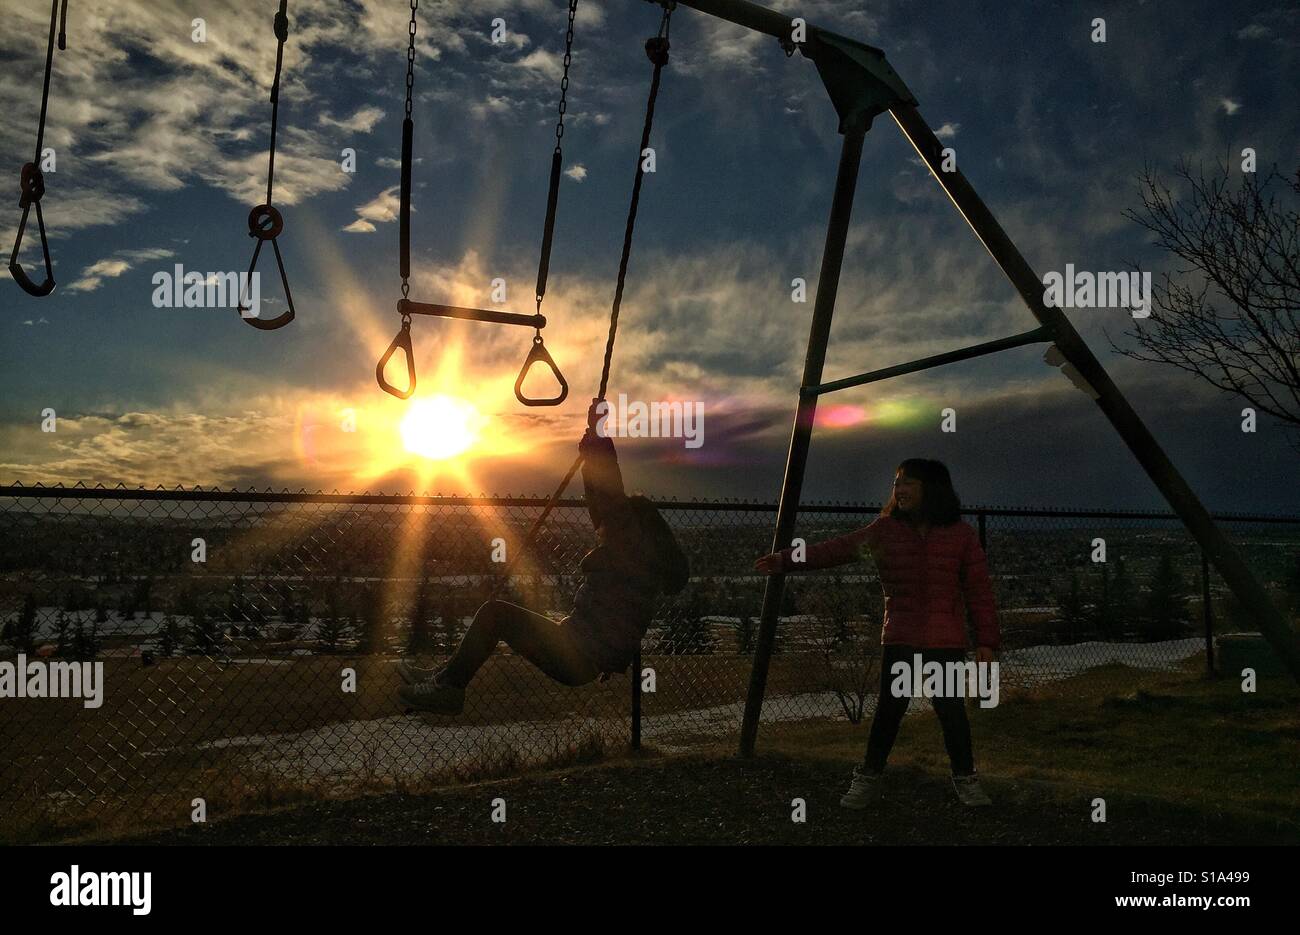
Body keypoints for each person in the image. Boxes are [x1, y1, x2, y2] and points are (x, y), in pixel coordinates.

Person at [398, 399, 689, 714]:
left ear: (633, 527)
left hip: (577, 654)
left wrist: (599, 434)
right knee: (497, 614)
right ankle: (444, 678)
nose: (602, 528)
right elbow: (602, 506)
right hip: (580, 651)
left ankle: (449, 688)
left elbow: (610, 495)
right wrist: (592, 445)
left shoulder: (630, 547)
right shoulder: (639, 562)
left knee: (495, 614)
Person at [754, 458, 999, 808]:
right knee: (889, 711)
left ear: (931, 488)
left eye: (908, 483)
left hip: (944, 642)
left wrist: (987, 642)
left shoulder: (960, 536)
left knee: (951, 712)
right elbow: (837, 549)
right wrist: (786, 559)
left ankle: (966, 780)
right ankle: (867, 779)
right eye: (896, 483)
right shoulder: (885, 533)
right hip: (901, 638)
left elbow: (979, 591)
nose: (899, 490)